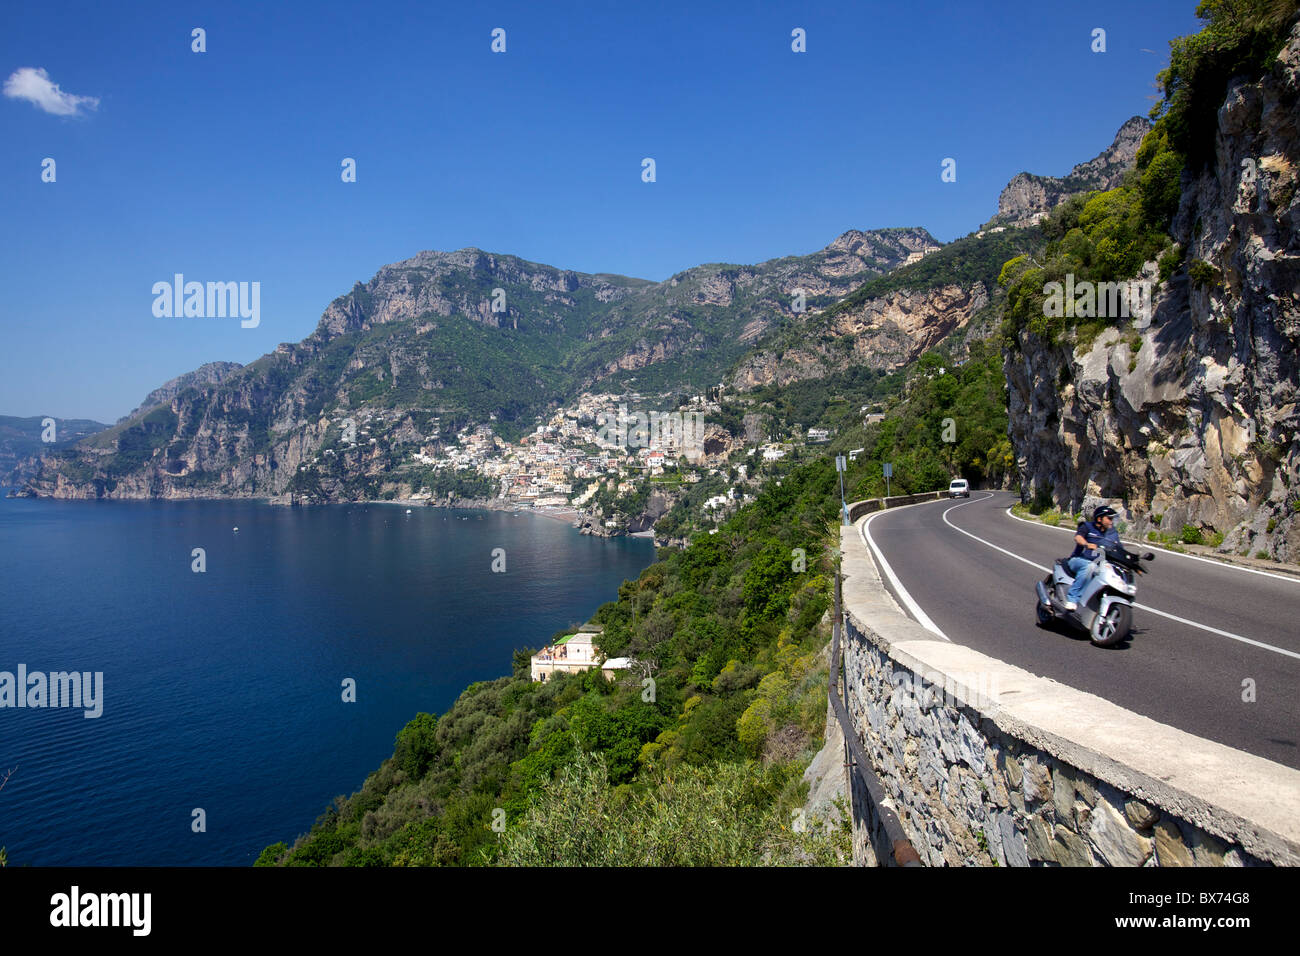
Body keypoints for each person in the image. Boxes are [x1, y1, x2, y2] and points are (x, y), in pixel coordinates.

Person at [1064, 505, 1120, 610]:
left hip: (1100, 564)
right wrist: (1087, 544)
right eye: (1109, 518)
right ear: (1099, 519)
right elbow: (1078, 537)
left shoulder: (1113, 534)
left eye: (1112, 519)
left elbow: (1119, 548)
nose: (1111, 521)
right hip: (1079, 560)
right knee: (1090, 566)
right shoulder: (1087, 526)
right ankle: (1072, 599)